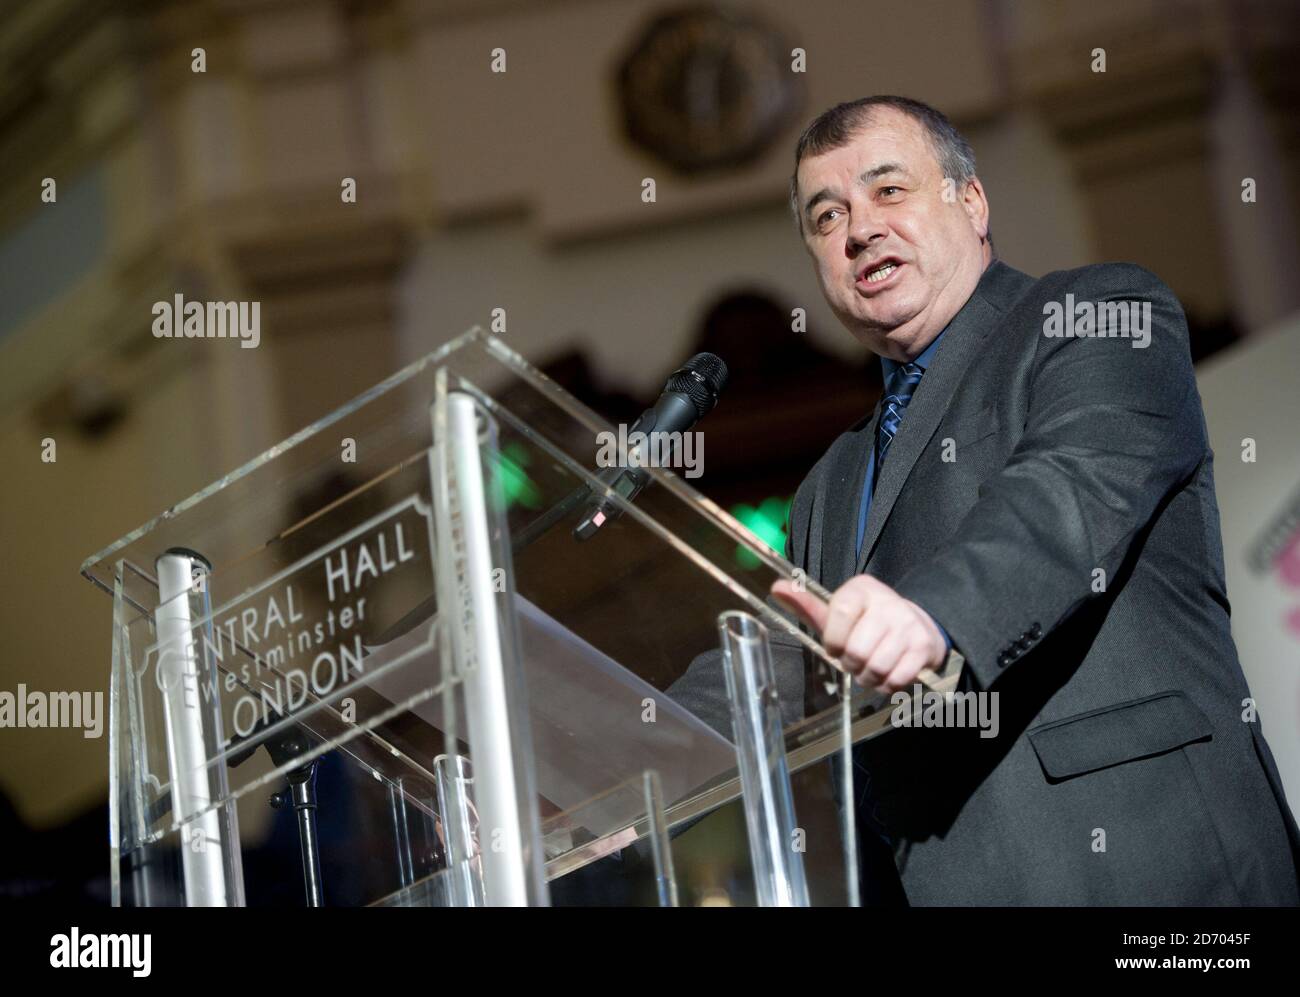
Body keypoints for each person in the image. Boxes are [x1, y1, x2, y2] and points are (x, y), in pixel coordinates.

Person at [671, 95, 1300, 905]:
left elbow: (1064, 495)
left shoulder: (1098, 316)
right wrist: (596, 751)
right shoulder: (832, 478)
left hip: (1153, 881)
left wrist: (930, 617)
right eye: (827, 216)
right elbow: (774, 660)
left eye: (888, 190)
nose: (858, 228)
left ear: (971, 202)